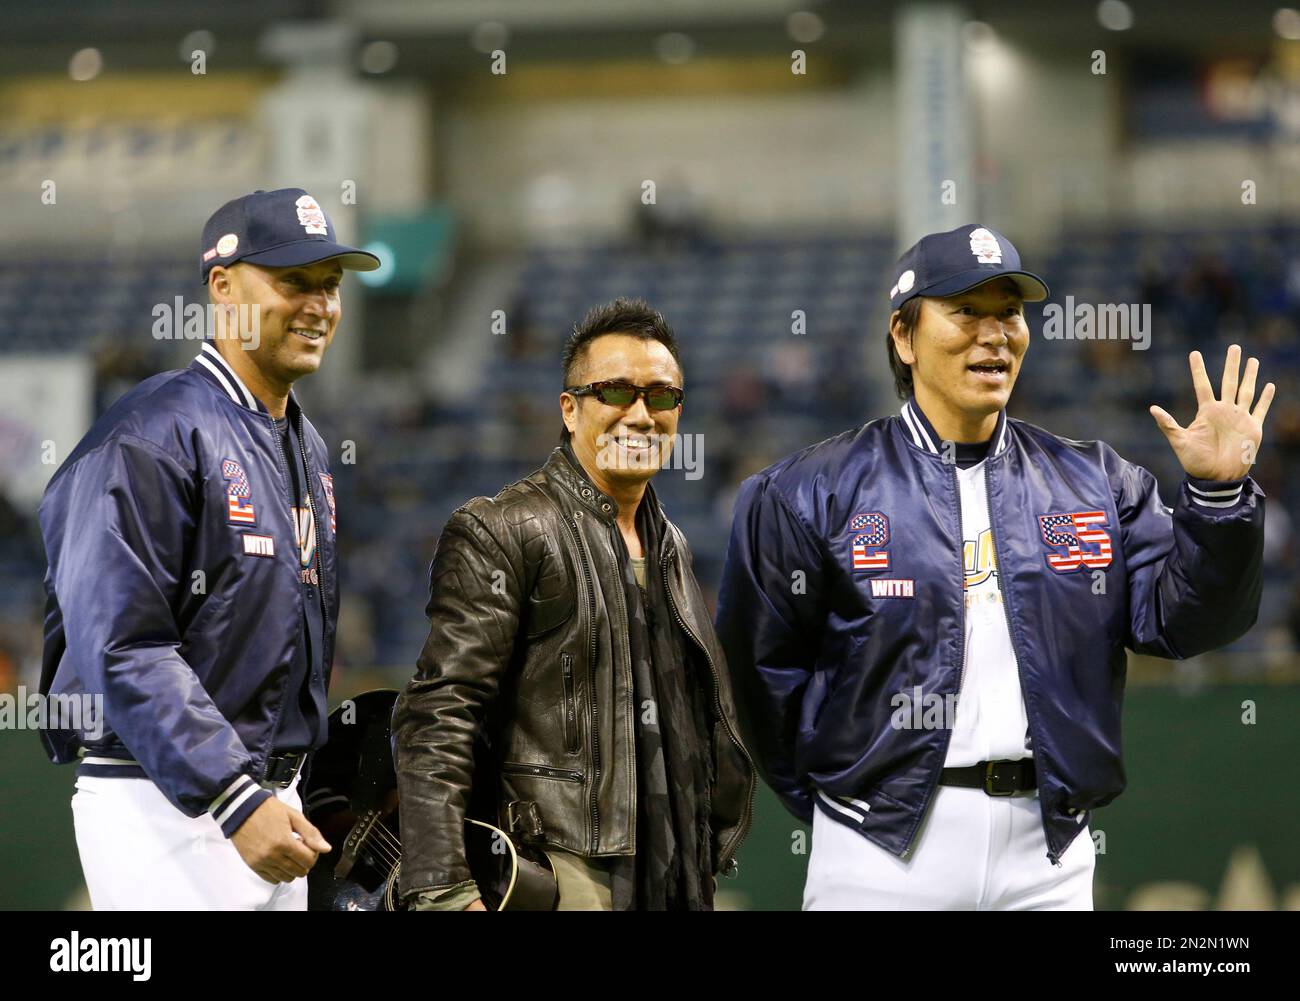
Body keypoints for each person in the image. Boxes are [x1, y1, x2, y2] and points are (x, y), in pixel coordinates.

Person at [716, 223, 1273, 910]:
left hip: (1047, 854)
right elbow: (761, 675)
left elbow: (1185, 621)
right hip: (881, 853)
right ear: (902, 336)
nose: (994, 333)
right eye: (965, 311)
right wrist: (846, 798)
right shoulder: (808, 491)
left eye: (1009, 312)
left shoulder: (1095, 482)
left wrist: (1217, 499)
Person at [38, 187, 379, 909]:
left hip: (266, 797)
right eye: (294, 281)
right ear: (222, 286)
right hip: (166, 802)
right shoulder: (149, 432)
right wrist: (231, 795)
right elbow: (123, 644)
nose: (320, 304)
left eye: (331, 285)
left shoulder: (305, 444)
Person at [393, 297, 754, 911]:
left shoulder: (673, 548)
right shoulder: (504, 527)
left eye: (662, 396)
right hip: (560, 873)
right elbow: (440, 711)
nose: (641, 415)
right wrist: (443, 889)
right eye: (615, 392)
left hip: (672, 874)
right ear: (569, 408)